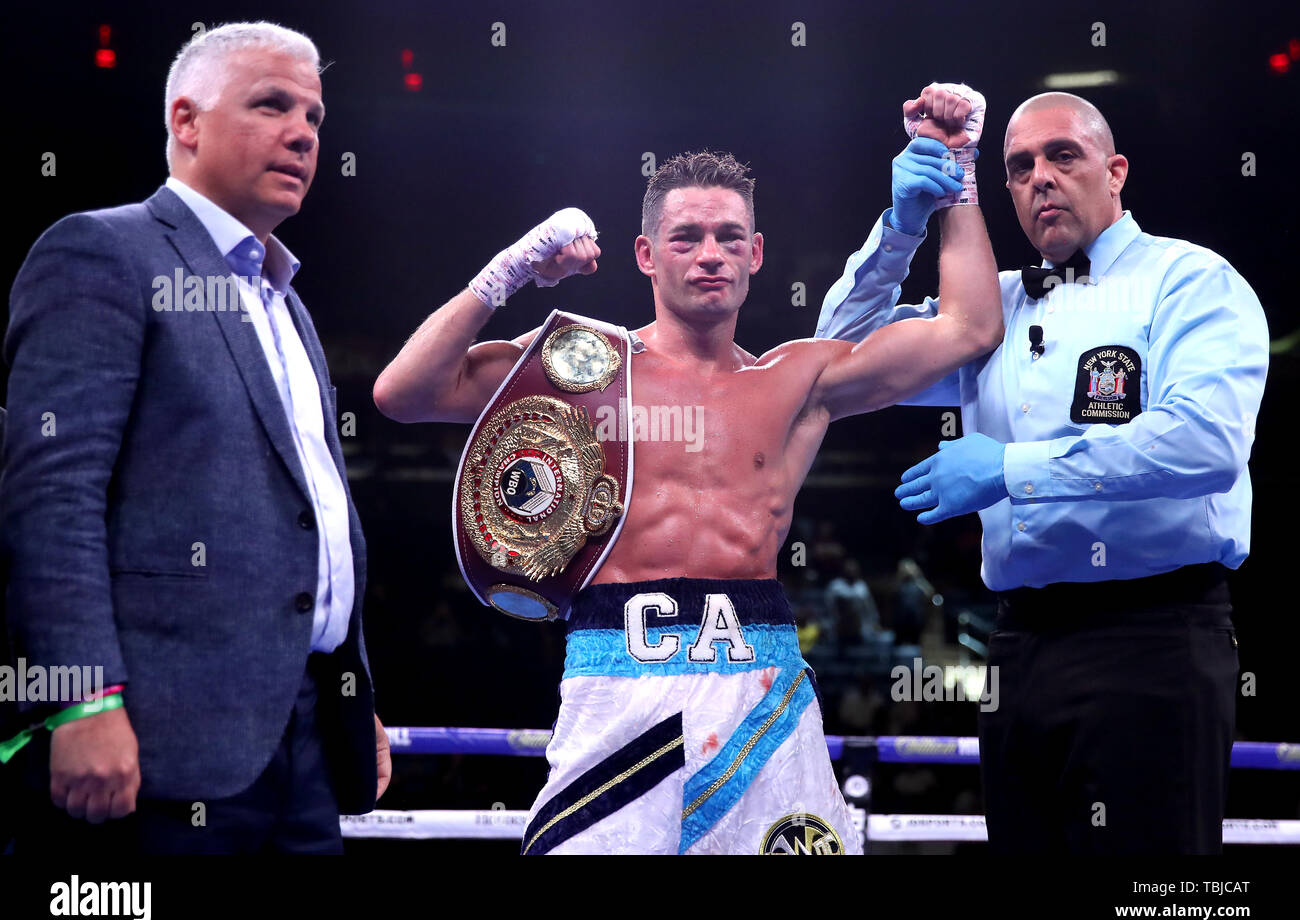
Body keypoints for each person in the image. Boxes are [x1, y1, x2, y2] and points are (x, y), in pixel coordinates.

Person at [374, 86, 1002, 854]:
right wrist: (509, 272)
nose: (711, 254)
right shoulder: (582, 368)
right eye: (687, 237)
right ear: (646, 254)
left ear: (756, 253)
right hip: (615, 685)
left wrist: (961, 166)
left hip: (761, 685)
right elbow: (403, 393)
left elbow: (970, 328)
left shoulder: (796, 378)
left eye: (730, 237)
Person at [816, 90, 1269, 853]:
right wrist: (900, 227)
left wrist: (1014, 467)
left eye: (1063, 155)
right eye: (1019, 166)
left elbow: (1204, 442)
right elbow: (837, 360)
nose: (1039, 178)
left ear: (1115, 170)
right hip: (1019, 643)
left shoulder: (1190, 280)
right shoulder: (987, 310)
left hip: (1153, 636)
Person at [2, 22, 388, 854]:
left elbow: (306, 519)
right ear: (187, 122)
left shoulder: (287, 302)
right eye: (272, 105)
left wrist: (346, 692)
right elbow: (50, 497)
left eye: (315, 118)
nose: (302, 133)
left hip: (305, 737)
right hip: (153, 744)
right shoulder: (104, 251)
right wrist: (81, 700)